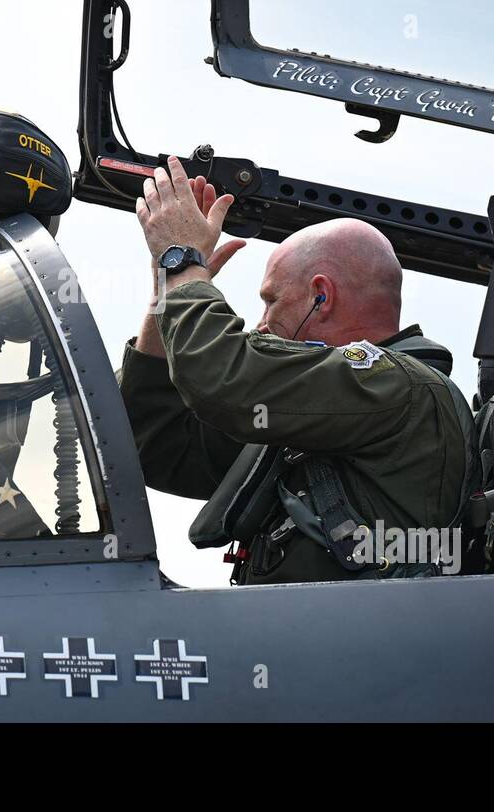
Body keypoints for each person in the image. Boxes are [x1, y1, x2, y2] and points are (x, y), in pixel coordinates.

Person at [117, 156, 472, 584]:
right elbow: (157, 441)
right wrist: (166, 290)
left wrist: (182, 262)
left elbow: (221, 378)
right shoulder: (322, 411)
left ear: (322, 296)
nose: (262, 324)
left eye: (272, 300)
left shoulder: (396, 387)